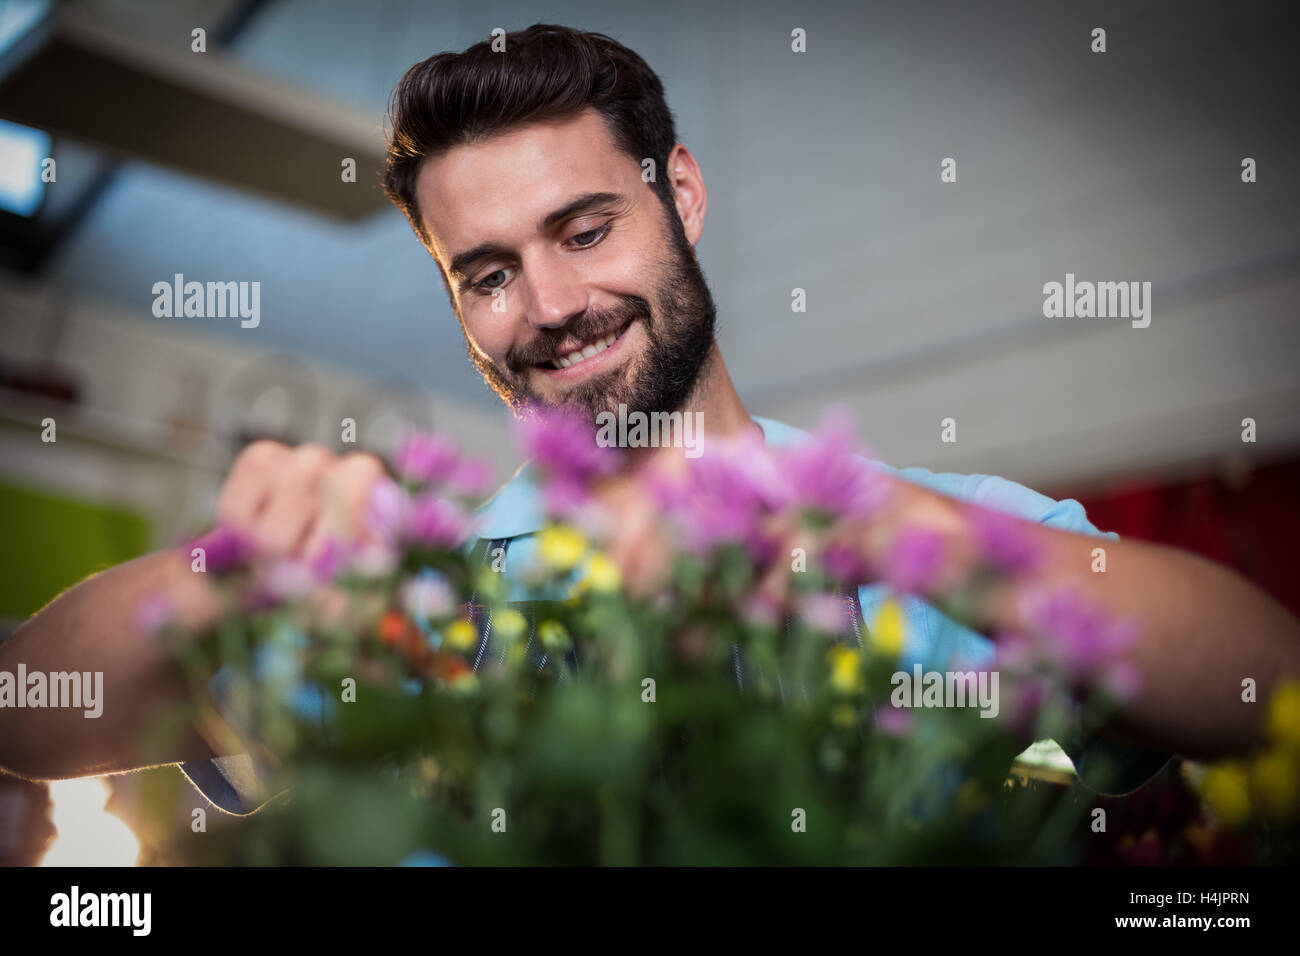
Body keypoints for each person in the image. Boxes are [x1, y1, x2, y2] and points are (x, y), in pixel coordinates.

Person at [2, 25, 1297, 820]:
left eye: (585, 229)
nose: (551, 306)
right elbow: (22, 715)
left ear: (678, 192)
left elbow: (1268, 686)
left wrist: (887, 528)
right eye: (489, 272)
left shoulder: (932, 542)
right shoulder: (418, 592)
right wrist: (228, 567)